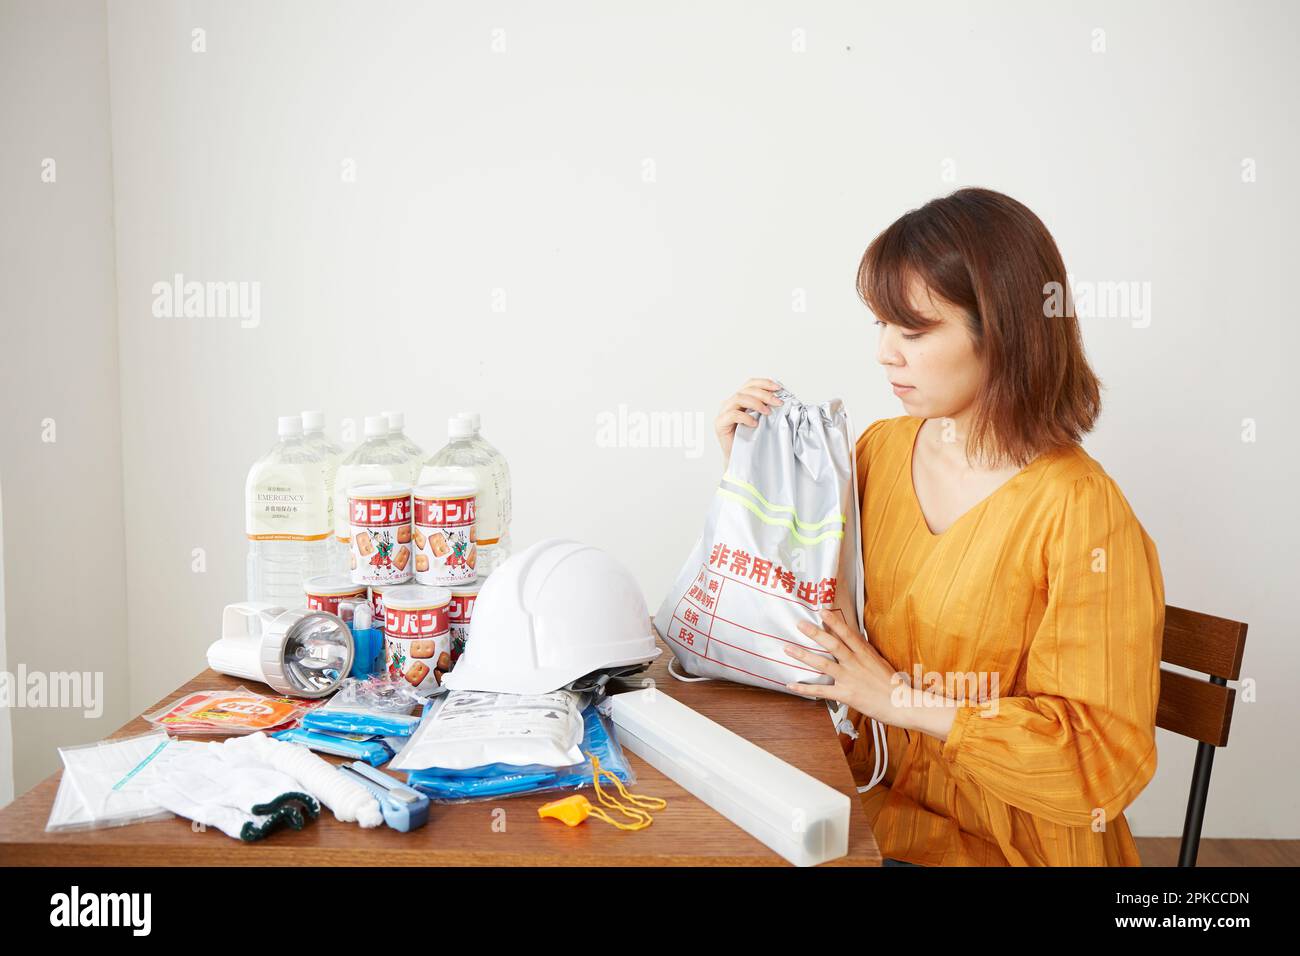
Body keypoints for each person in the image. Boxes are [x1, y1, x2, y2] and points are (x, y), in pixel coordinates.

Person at [714, 188, 1165, 866]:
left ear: (1006, 330)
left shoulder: (1082, 512)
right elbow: (808, 616)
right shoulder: (880, 450)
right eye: (880, 326)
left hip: (1010, 843)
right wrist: (754, 477)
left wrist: (898, 699)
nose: (884, 355)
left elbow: (1097, 761)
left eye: (914, 331)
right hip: (880, 805)